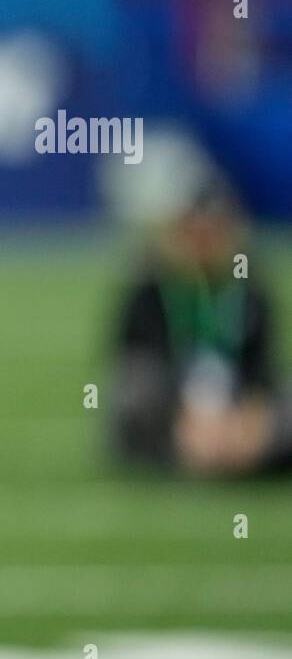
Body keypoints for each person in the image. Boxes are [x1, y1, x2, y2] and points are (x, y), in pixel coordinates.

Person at [112, 178, 292, 478]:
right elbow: (135, 357)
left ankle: (248, 455)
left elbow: (263, 365)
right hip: (173, 409)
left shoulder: (249, 288)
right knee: (135, 388)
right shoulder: (151, 287)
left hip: (236, 407)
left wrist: (250, 417)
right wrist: (186, 417)